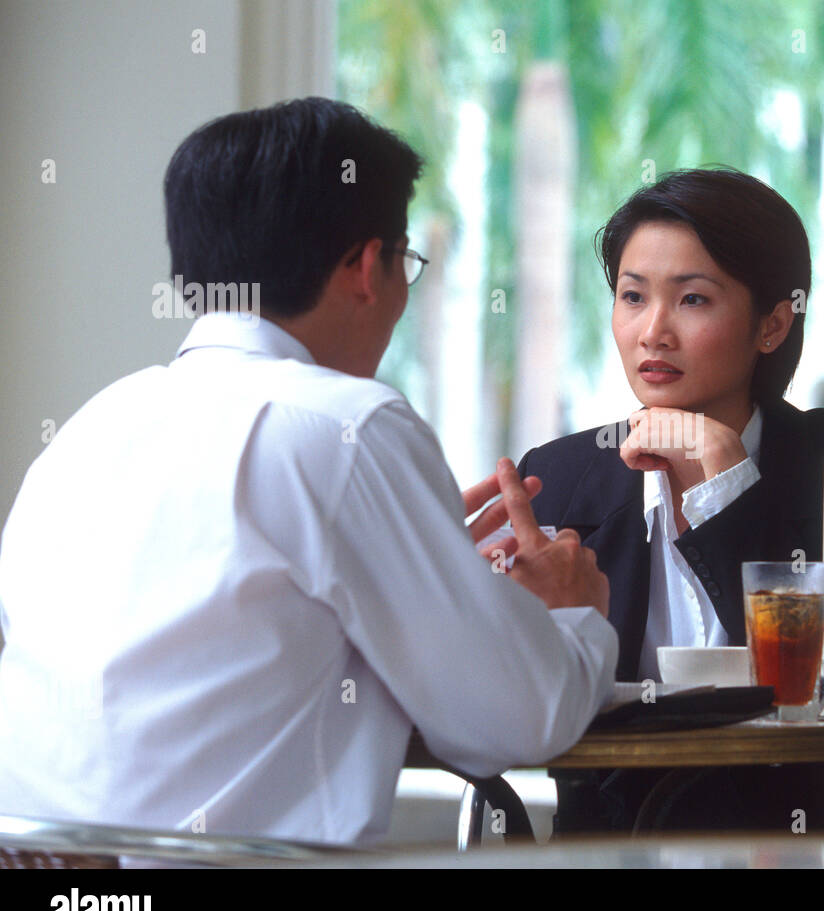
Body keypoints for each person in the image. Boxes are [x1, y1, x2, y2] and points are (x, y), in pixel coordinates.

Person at [0, 98, 616, 846]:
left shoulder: (87, 429)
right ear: (366, 266)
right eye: (405, 262)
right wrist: (570, 610)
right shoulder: (349, 427)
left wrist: (413, 565)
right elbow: (517, 721)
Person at [516, 168, 824, 831]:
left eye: (693, 300)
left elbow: (811, 681)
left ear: (772, 324)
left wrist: (727, 486)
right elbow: (527, 701)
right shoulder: (559, 479)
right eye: (632, 296)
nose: (653, 332)